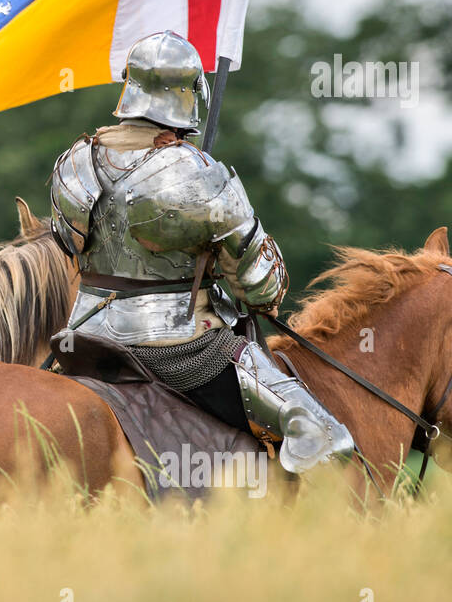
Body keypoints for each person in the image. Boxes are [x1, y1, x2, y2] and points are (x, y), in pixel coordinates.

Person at [49, 31, 354, 473]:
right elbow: (261, 288)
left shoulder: (73, 162)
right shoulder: (194, 170)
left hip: (85, 338)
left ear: (130, 87)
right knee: (327, 438)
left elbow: (67, 246)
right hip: (175, 345)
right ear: (188, 95)